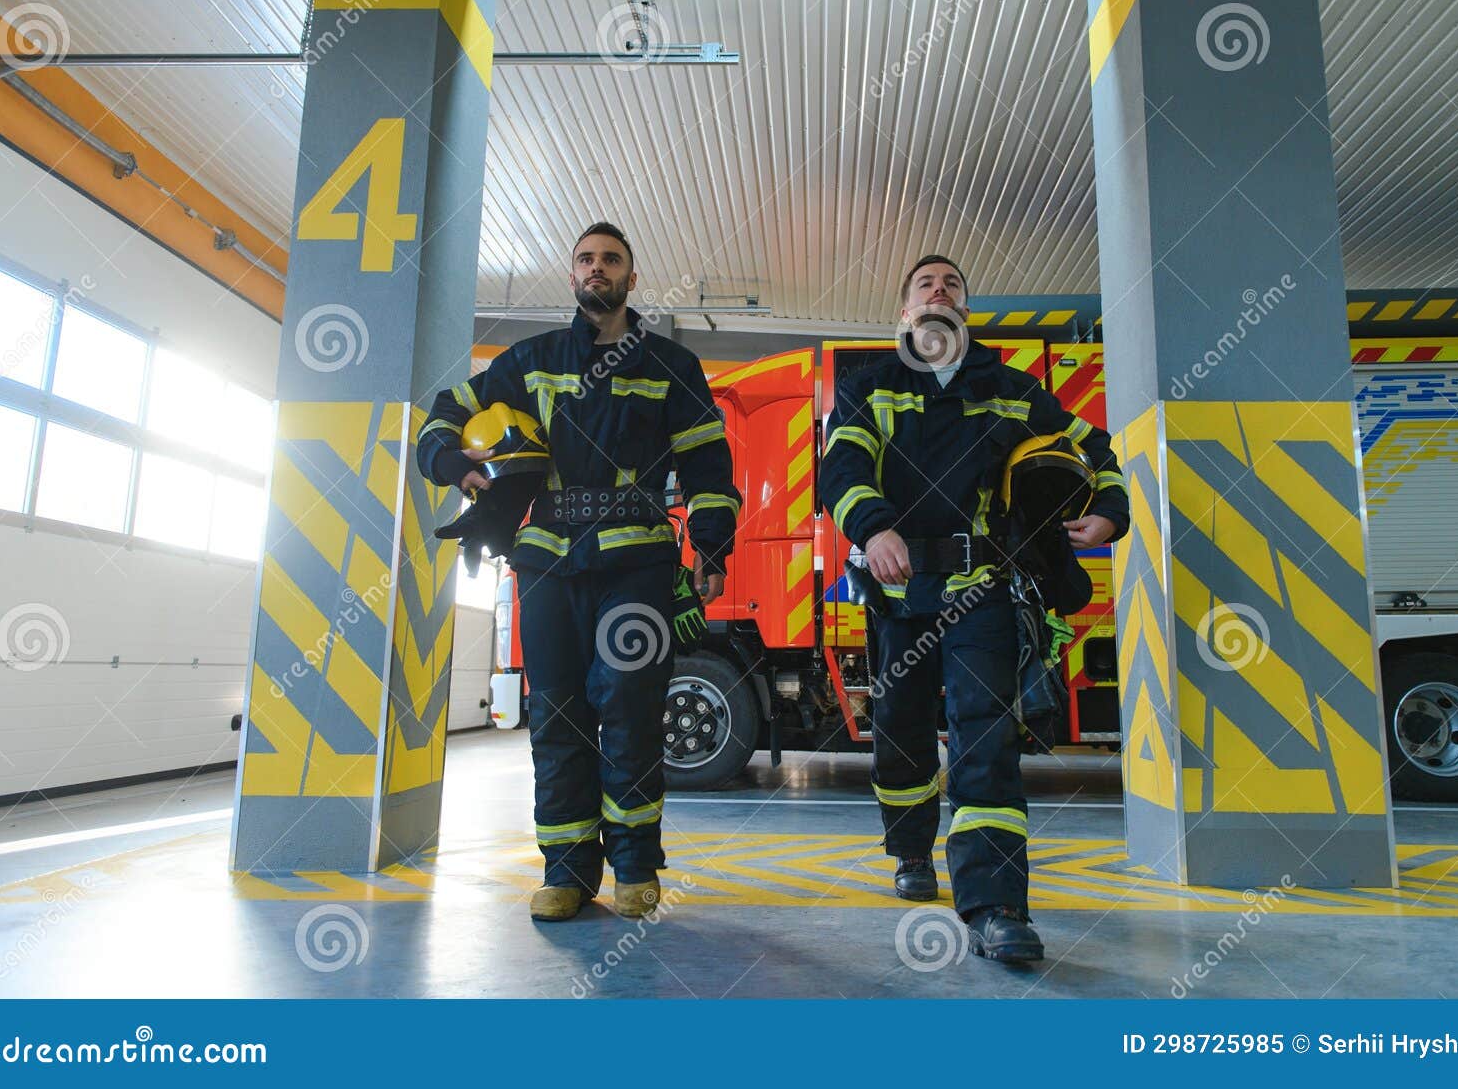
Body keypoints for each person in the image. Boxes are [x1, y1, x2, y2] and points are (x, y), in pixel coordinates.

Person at [416, 223, 740, 921]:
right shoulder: (527, 361)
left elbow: (710, 463)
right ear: (573, 276)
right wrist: (456, 467)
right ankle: (565, 868)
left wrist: (712, 546)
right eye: (586, 260)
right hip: (546, 563)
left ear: (631, 276)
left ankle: (633, 865)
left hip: (639, 566)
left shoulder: (670, 367)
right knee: (555, 714)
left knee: (630, 711)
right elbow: (445, 414)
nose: (598, 269)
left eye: (611, 260)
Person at [819, 254, 1128, 964]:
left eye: (952, 285)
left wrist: (1110, 511)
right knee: (898, 731)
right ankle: (909, 850)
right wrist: (873, 525)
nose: (939, 291)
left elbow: (1097, 451)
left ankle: (996, 907)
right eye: (925, 284)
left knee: (986, 739)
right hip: (897, 598)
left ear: (965, 310)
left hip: (980, 591)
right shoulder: (868, 389)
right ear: (904, 313)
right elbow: (840, 469)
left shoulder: (1014, 391)